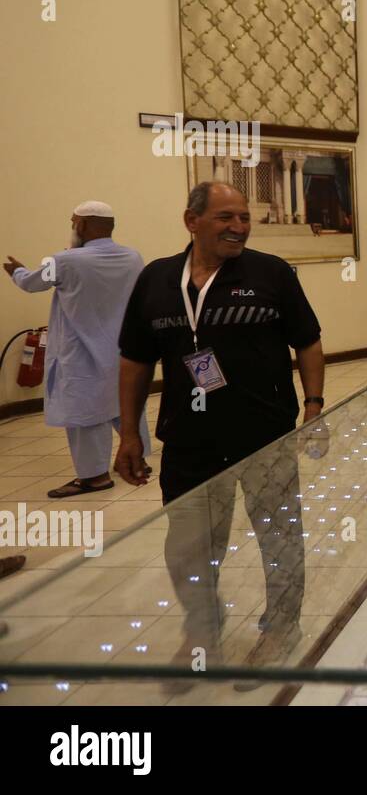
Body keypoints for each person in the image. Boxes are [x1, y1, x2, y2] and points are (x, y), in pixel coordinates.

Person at [114, 181, 325, 669]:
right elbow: (135, 360)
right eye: (225, 217)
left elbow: (308, 342)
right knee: (190, 546)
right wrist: (129, 433)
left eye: (244, 217)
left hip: (265, 435)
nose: (239, 227)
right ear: (191, 220)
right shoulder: (156, 280)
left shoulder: (272, 274)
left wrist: (313, 407)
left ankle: (281, 628)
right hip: (189, 440)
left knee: (279, 537)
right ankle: (201, 628)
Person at [5, 201, 149, 498]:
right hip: (122, 350)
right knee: (125, 407)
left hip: (82, 354)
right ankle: (137, 461)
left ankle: (95, 477)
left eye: (73, 222)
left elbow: (32, 284)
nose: (73, 228)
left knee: (85, 416)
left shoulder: (67, 261)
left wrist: (17, 271)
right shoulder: (133, 258)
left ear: (82, 225)